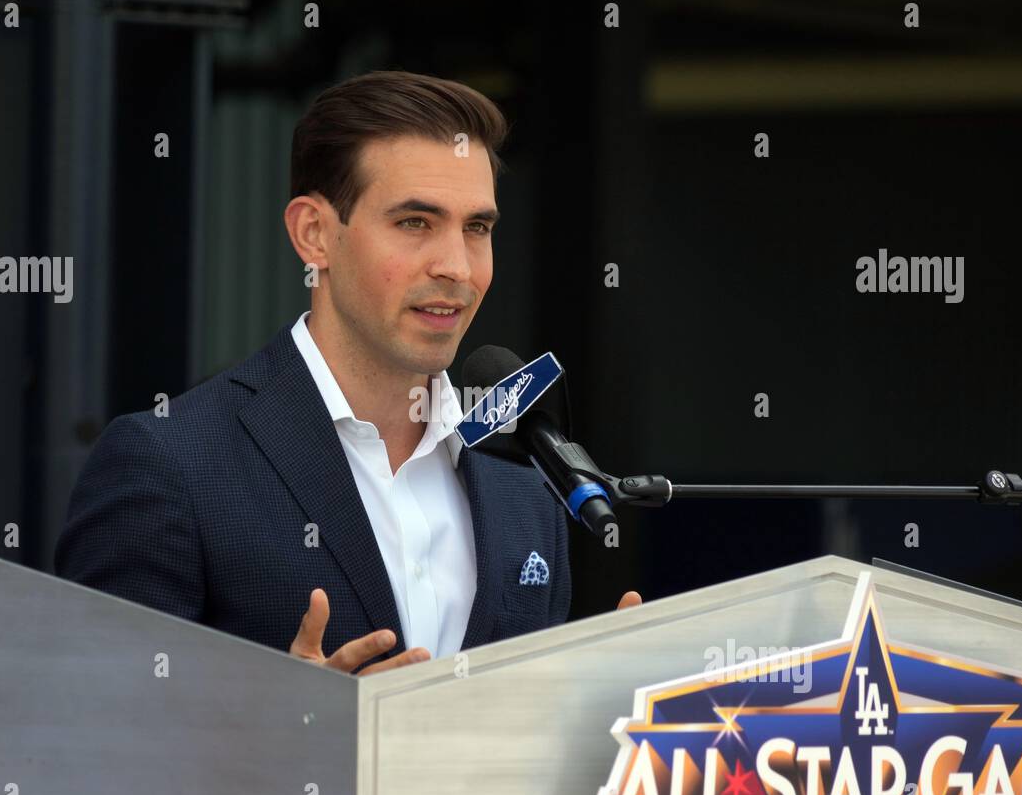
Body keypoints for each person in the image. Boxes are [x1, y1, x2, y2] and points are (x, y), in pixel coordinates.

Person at [55, 70, 640, 676]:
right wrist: (296, 727)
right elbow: (97, 739)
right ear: (314, 235)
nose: (456, 267)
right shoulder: (169, 461)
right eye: (415, 222)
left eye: (478, 228)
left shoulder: (524, 477)